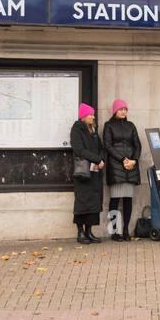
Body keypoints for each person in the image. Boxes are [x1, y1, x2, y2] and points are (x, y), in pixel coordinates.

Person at [103, 99, 142, 241]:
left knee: (128, 200)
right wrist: (123, 160)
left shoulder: (131, 125)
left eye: (125, 109)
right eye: (120, 109)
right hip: (116, 166)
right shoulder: (108, 126)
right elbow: (108, 146)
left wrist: (134, 160)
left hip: (130, 166)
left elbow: (137, 144)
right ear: (115, 111)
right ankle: (115, 231)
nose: (123, 111)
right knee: (114, 199)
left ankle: (125, 230)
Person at [70, 104, 105, 244]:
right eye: (90, 114)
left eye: (93, 114)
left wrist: (101, 159)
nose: (93, 116)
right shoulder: (77, 129)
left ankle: (89, 231)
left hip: (95, 171)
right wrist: (97, 159)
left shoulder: (94, 131)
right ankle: (80, 232)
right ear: (83, 116)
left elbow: (101, 148)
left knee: (93, 202)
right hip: (83, 172)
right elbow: (79, 150)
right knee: (82, 202)